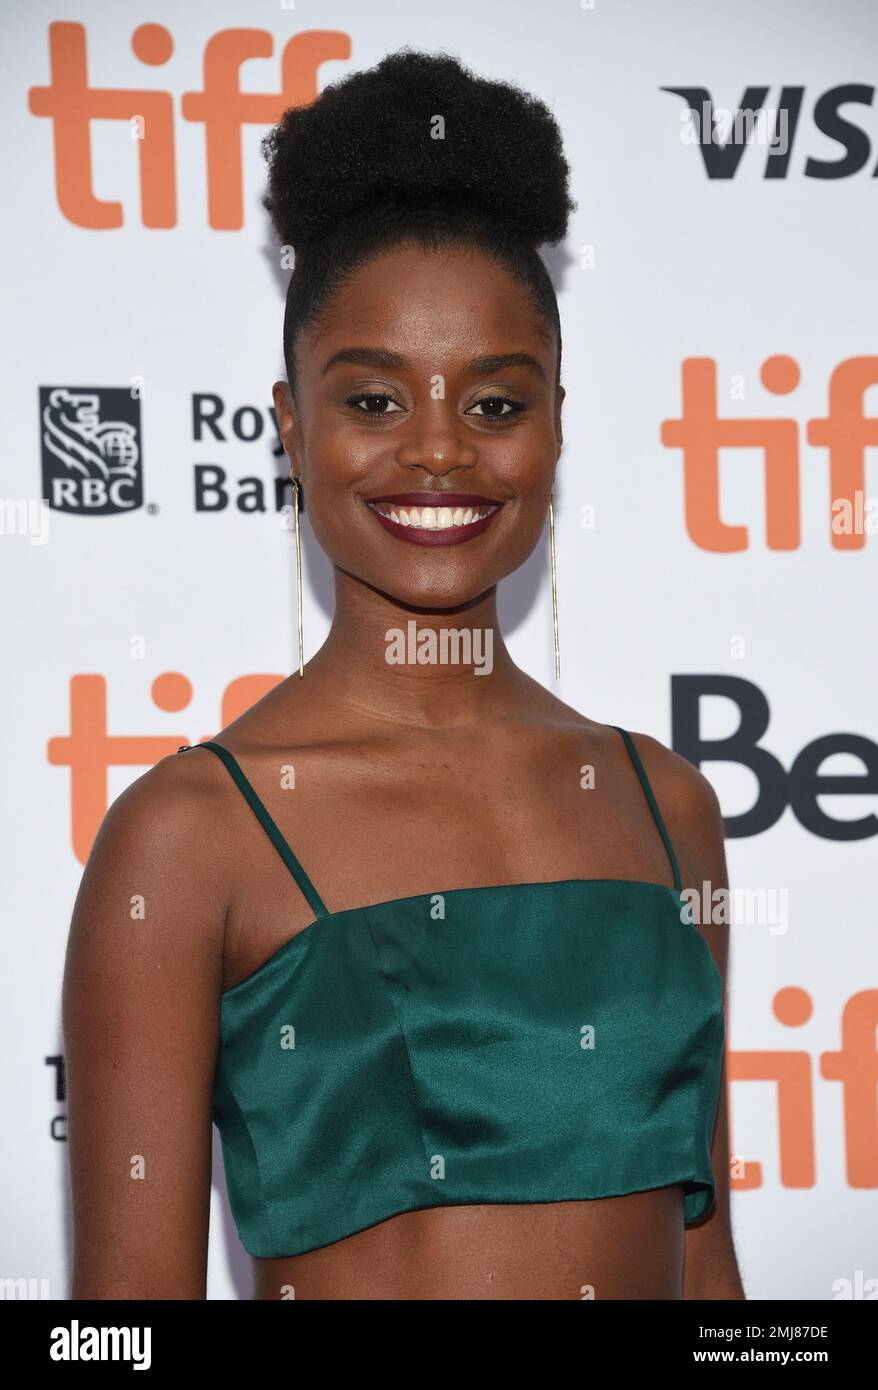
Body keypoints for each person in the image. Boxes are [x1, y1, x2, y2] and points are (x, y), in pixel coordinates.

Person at [63, 48, 743, 1300]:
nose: (437, 452)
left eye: (493, 406)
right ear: (286, 424)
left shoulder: (667, 810)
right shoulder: (189, 836)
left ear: (555, 425)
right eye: (373, 399)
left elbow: (706, 1273)